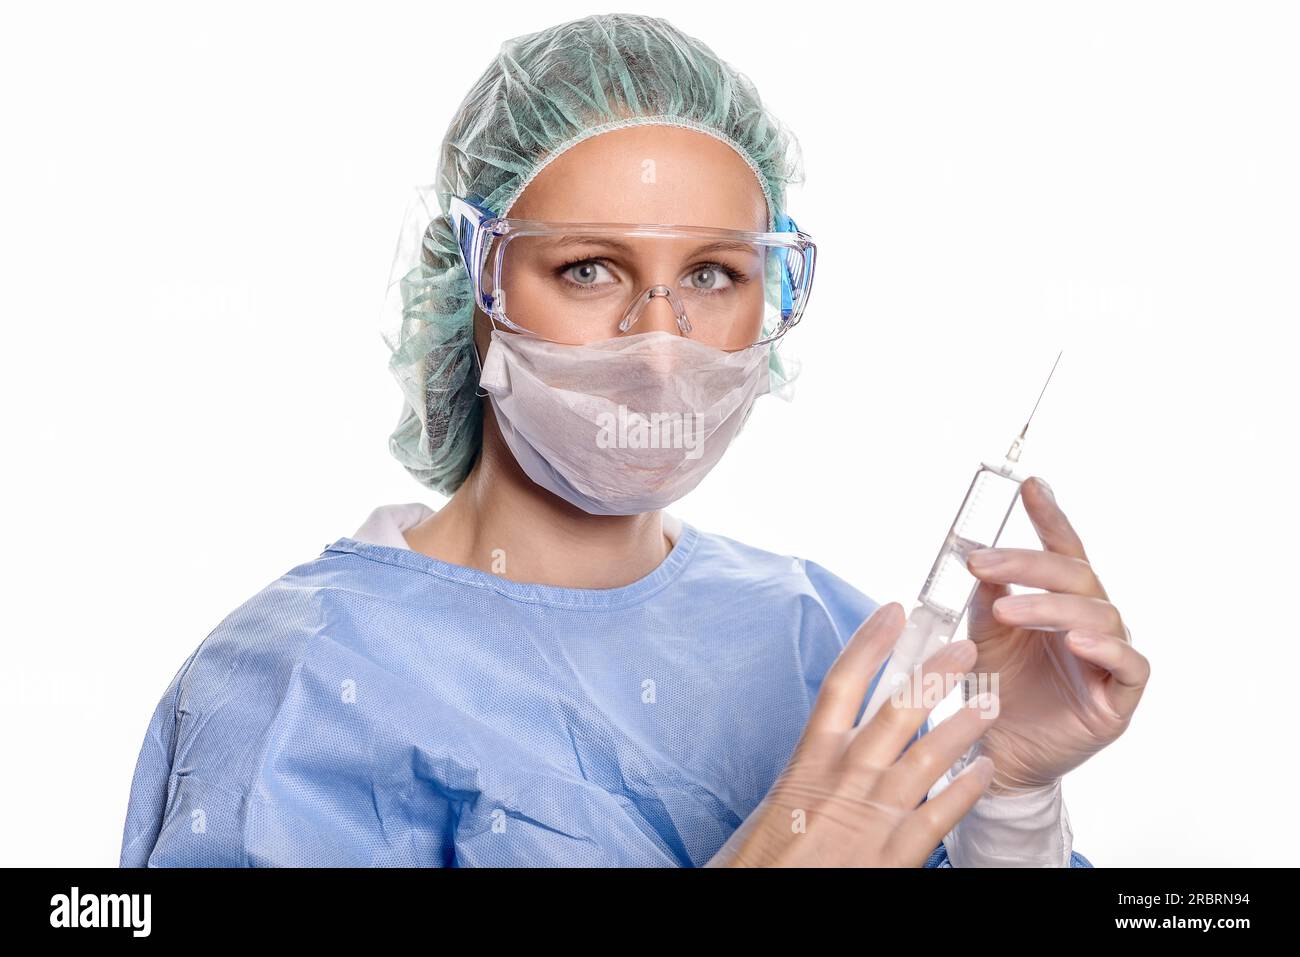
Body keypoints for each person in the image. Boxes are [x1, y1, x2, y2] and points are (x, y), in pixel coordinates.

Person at [119, 13, 1147, 868]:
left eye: (712, 274)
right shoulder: (303, 686)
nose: (661, 348)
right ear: (470, 285)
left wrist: (1004, 805)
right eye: (587, 268)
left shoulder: (822, 638)